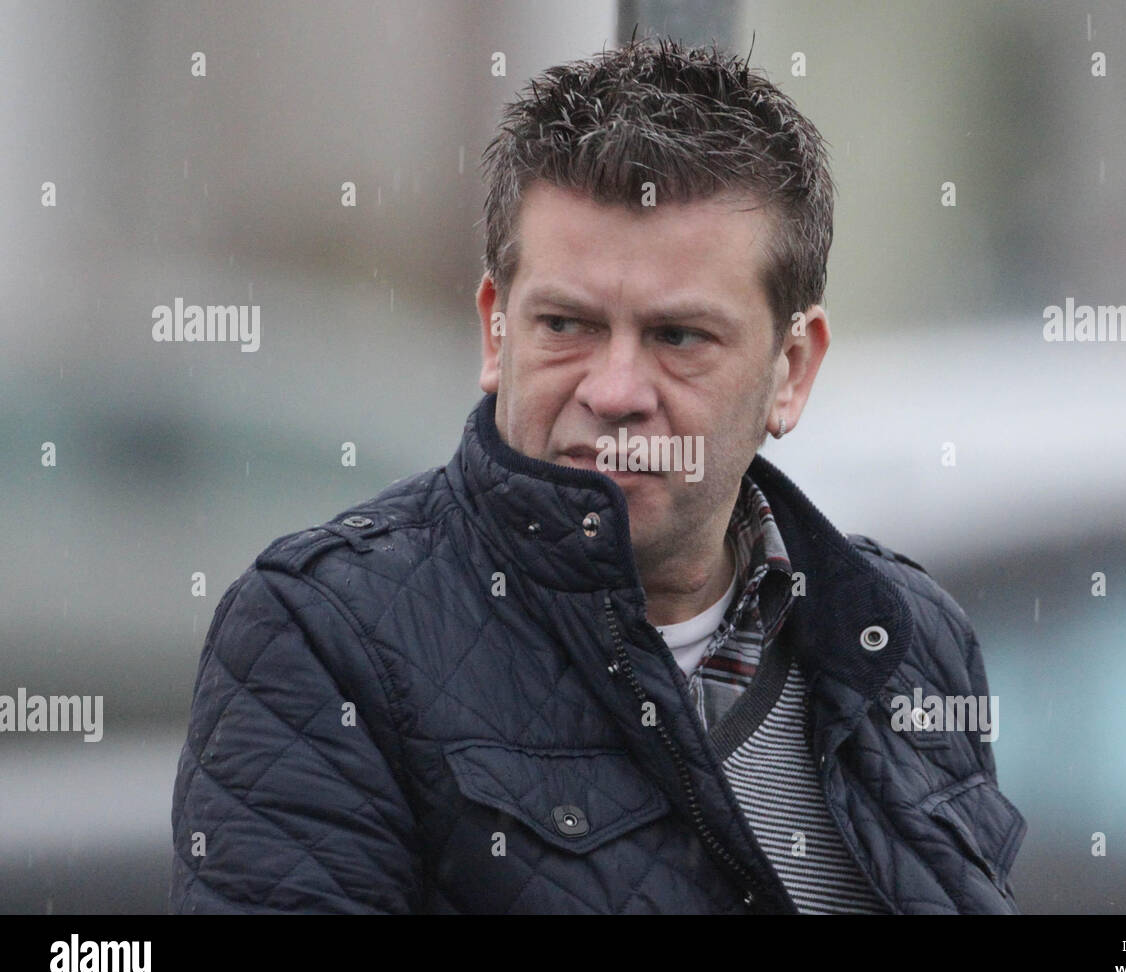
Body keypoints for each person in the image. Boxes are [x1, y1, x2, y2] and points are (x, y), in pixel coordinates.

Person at [169, 35, 1026, 914]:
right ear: (495, 331)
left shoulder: (910, 637)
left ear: (792, 369)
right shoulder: (323, 637)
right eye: (567, 325)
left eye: (678, 337)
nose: (615, 392)